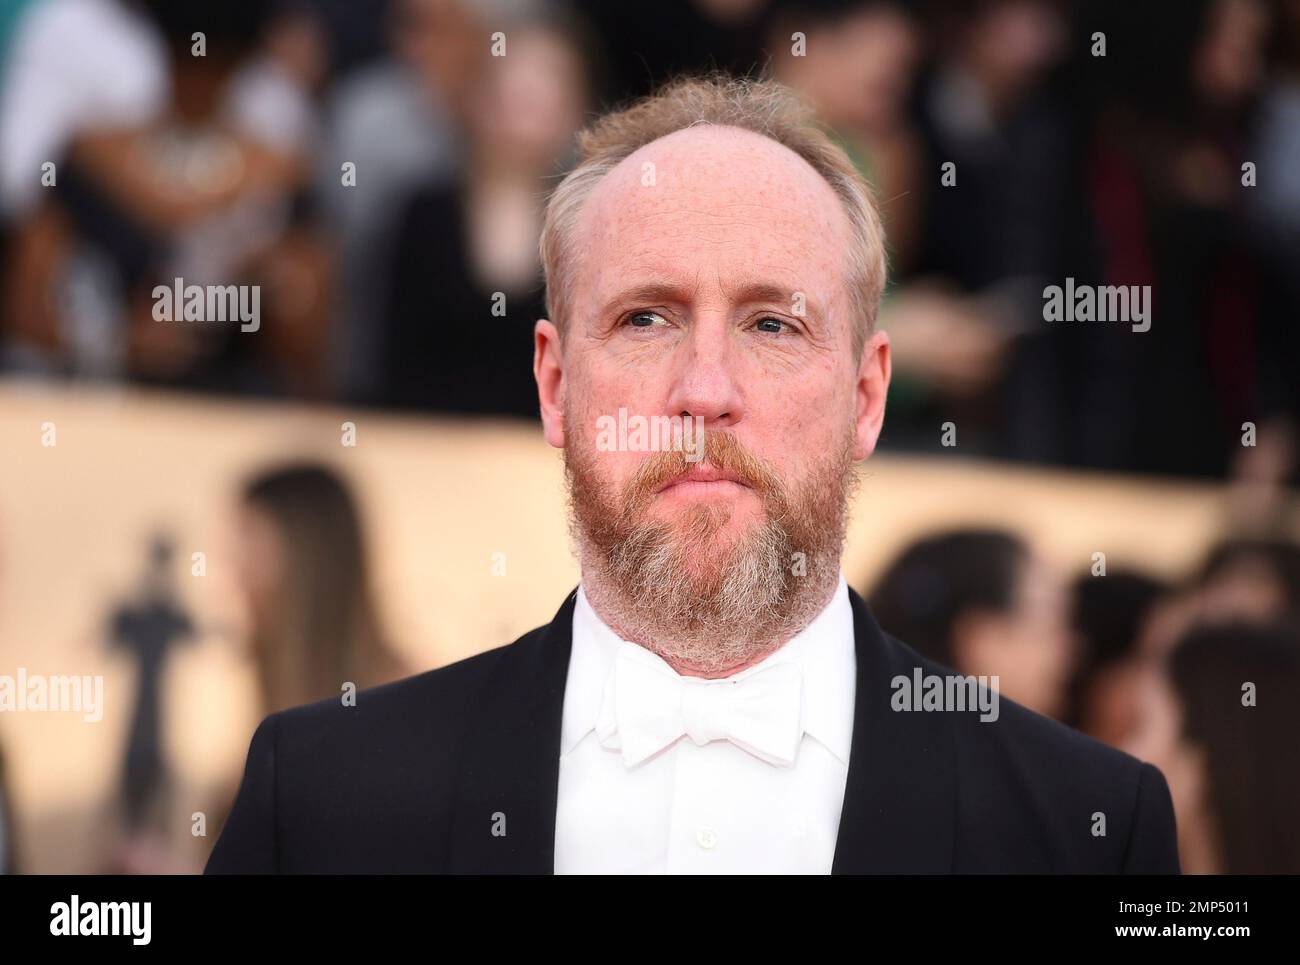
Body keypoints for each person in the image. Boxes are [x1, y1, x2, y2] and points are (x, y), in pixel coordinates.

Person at [207, 74, 1179, 874]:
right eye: (645, 318)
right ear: (554, 384)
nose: (704, 391)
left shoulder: (1085, 828)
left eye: (771, 323)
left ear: (868, 395)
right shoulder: (323, 799)